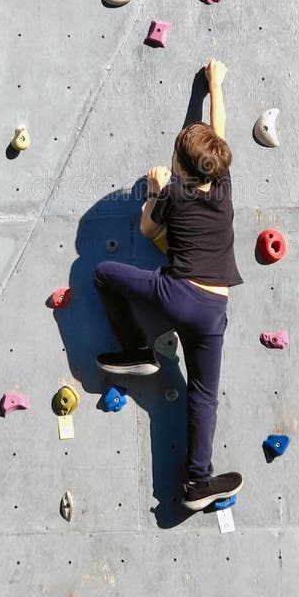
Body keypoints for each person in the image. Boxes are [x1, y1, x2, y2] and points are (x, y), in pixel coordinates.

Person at [93, 59, 243, 511]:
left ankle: (137, 349)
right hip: (213, 311)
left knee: (104, 274)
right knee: (202, 394)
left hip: (175, 293)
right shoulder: (222, 186)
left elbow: (143, 230)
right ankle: (197, 481)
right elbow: (218, 134)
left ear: (178, 165)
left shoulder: (174, 193)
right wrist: (214, 84)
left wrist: (157, 189)